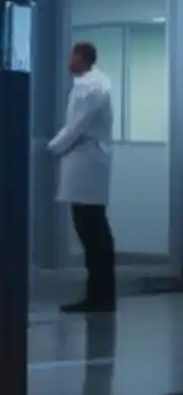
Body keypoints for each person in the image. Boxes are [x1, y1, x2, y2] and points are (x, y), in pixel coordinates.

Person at [49, 42, 116, 314]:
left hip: (86, 164)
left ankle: (100, 297)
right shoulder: (94, 83)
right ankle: (99, 295)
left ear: (82, 58)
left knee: (92, 231)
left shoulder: (90, 86)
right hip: (88, 163)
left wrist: (53, 147)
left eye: (72, 56)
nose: (69, 61)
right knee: (92, 231)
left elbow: (76, 127)